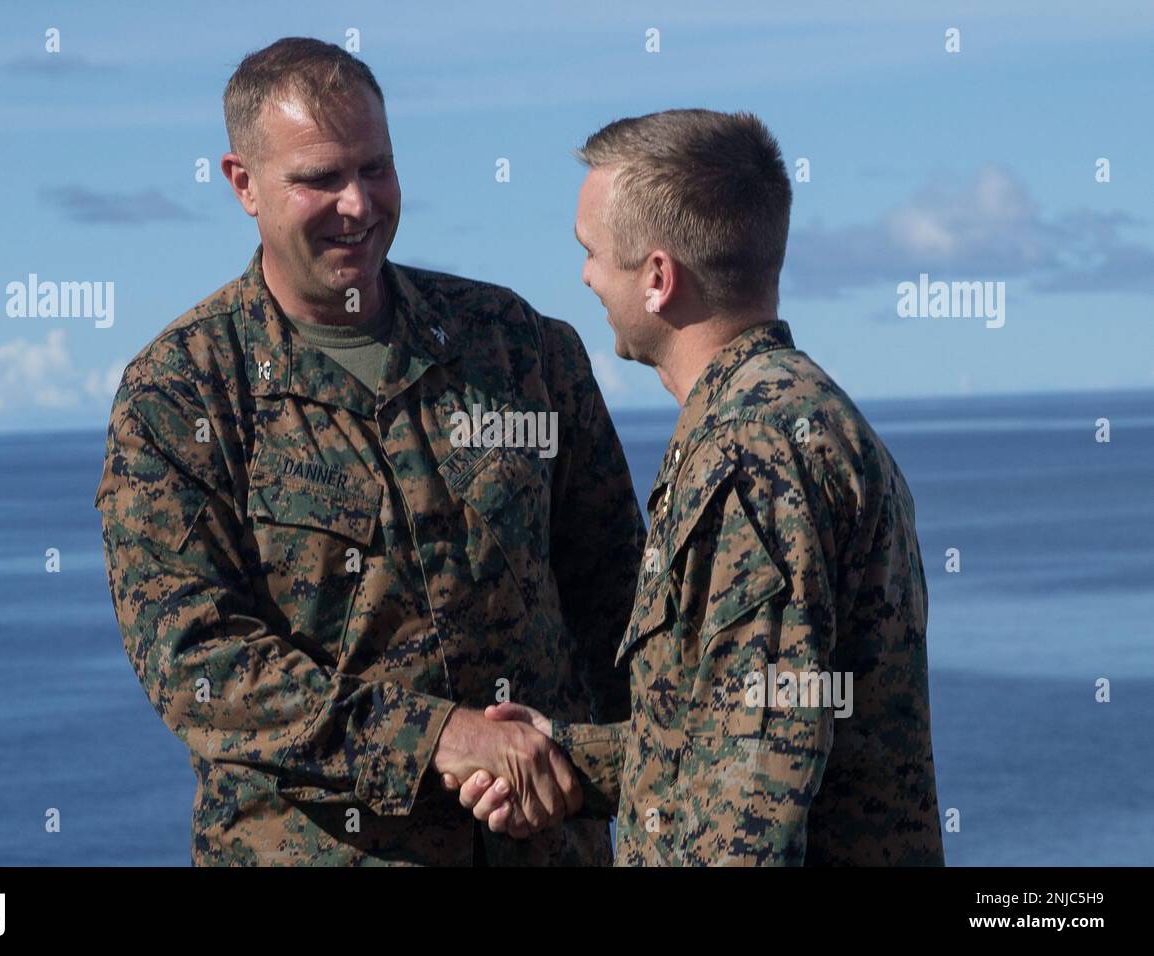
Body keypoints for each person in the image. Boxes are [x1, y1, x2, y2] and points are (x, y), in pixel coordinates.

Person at [93, 37, 645, 866]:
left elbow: (619, 596)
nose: (358, 203)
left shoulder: (519, 348)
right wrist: (435, 740)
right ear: (242, 183)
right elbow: (196, 661)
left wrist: (612, 774)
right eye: (319, 178)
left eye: (376, 169)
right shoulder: (183, 395)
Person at [455, 110, 945, 866]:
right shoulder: (800, 416)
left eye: (591, 252)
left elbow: (756, 793)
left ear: (657, 278)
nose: (584, 275)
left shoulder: (748, 456)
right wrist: (564, 758)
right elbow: (724, 733)